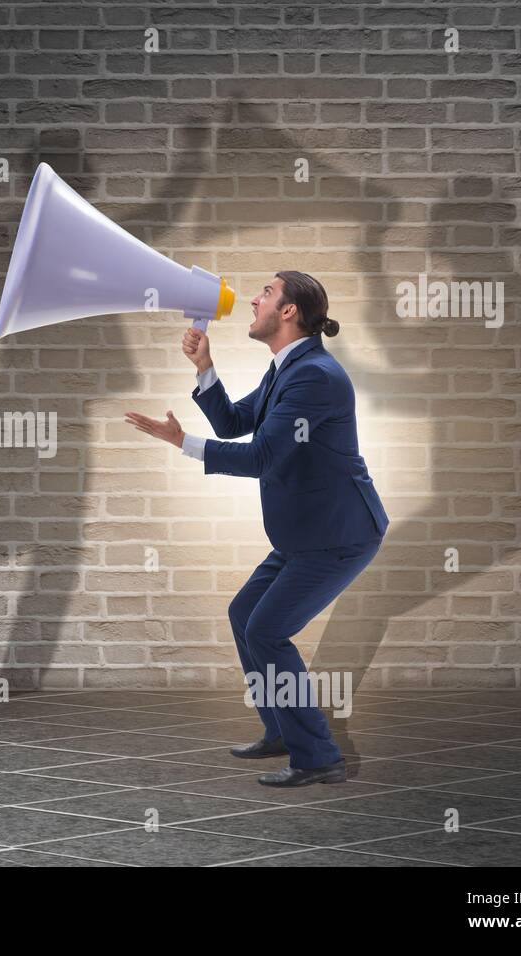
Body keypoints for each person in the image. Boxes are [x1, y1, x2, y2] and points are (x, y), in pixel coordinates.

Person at [125, 271, 388, 787]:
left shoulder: (315, 376)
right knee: (246, 614)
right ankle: (281, 730)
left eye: (265, 293)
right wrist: (204, 368)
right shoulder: (286, 368)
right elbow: (232, 424)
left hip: (338, 534)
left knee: (267, 630)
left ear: (288, 311)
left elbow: (262, 456)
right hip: (303, 534)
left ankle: (318, 757)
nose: (252, 299)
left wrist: (183, 443)